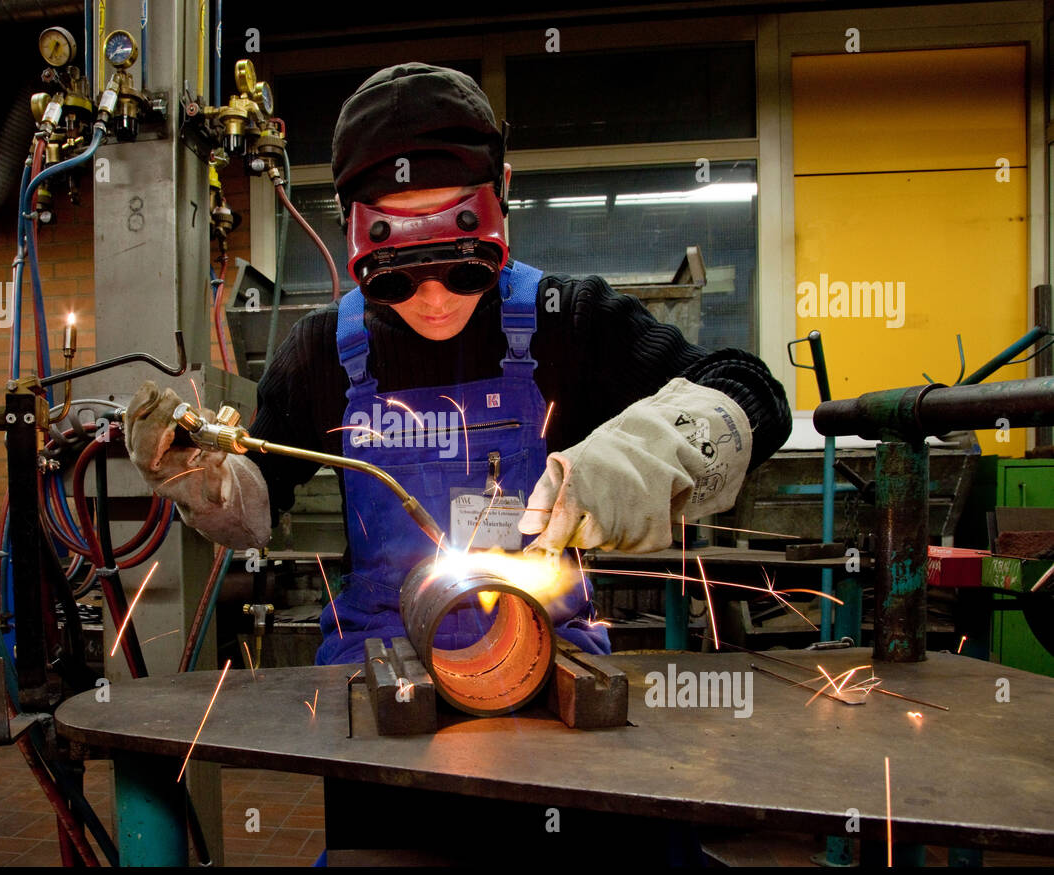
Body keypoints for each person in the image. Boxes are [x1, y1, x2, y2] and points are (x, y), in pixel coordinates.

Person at [128, 63, 791, 668]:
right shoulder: (324, 350)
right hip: (379, 671)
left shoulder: (569, 320)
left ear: (500, 197)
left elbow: (753, 392)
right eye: (397, 278)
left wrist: (654, 457)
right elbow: (258, 502)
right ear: (354, 232)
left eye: (464, 267)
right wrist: (208, 484)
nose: (437, 298)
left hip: (546, 663)